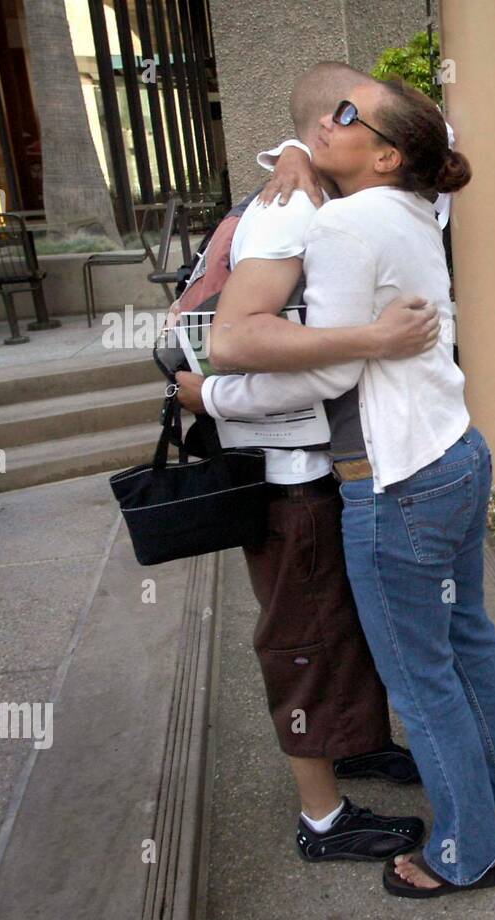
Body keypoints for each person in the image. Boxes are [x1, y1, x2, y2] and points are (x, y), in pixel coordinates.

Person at [180, 76, 495, 897]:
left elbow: (311, 363)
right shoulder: (418, 206)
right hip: (456, 454)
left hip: (397, 486)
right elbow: (400, 138)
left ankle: (465, 852)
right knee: (470, 639)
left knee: (423, 677)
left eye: (347, 115)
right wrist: (299, 154)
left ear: (386, 152)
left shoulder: (345, 221)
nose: (326, 121)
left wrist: (211, 393)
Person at [176, 62, 443, 864]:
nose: (341, 125)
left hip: (319, 464)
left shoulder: (322, 189)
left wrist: (295, 147)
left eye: (356, 115)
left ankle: (352, 745)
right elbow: (236, 346)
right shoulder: (293, 210)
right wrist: (369, 342)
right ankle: (322, 819)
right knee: (301, 635)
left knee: (343, 627)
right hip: (286, 470)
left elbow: (438, 152)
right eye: (343, 112)